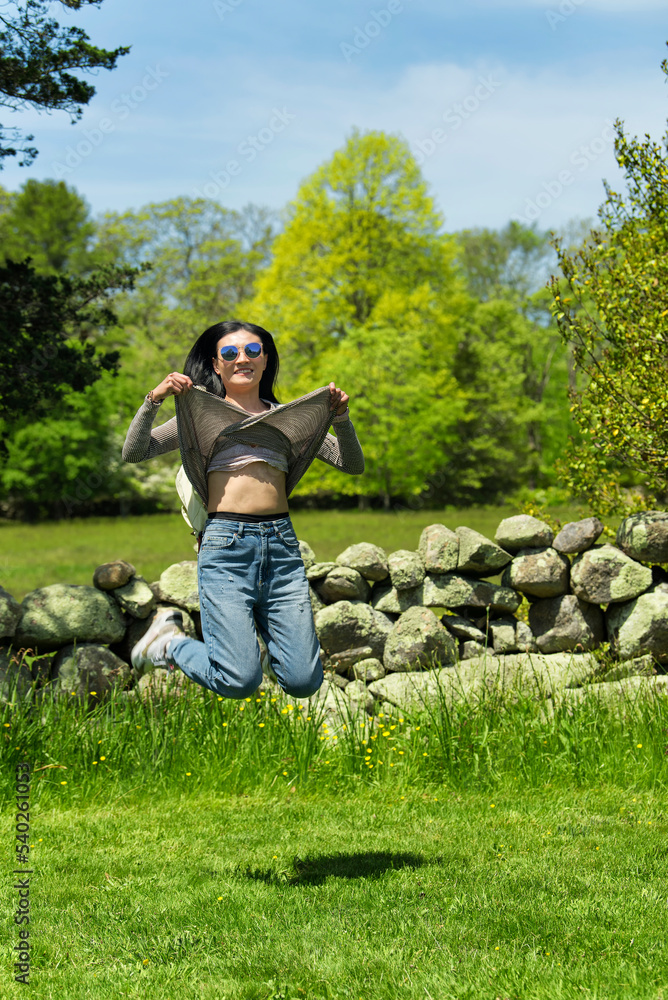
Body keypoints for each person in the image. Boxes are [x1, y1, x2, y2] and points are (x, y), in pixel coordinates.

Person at [122, 319, 364, 700]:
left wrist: (342, 420)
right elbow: (135, 451)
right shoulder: (199, 415)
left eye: (252, 350)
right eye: (230, 352)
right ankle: (170, 645)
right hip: (226, 547)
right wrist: (153, 399)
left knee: (304, 681)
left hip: (282, 547)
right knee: (239, 680)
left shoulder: (290, 419)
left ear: (265, 360)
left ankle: (262, 655)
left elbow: (351, 464)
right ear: (216, 364)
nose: (242, 359)